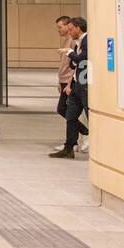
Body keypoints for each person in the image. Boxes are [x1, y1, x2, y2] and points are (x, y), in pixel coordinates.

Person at [50, 17, 89, 159]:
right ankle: (68, 147)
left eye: (71, 29)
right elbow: (75, 64)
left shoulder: (86, 41)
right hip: (76, 84)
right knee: (70, 116)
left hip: (83, 85)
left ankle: (90, 136)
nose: (69, 31)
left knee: (88, 113)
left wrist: (69, 53)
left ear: (78, 28)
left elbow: (83, 59)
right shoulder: (79, 42)